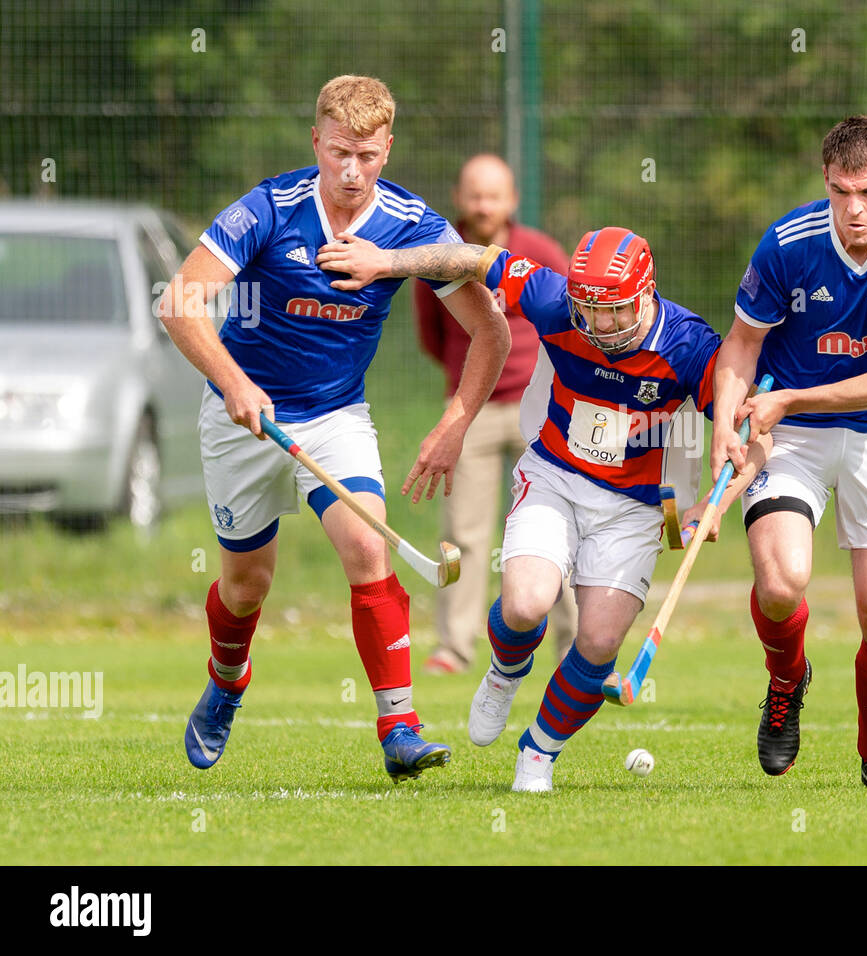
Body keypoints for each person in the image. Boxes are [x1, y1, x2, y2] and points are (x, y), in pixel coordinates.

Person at [317, 225, 761, 793]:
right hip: (554, 476)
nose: (599, 327)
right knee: (526, 604)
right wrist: (388, 262)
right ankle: (505, 671)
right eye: (588, 310)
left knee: (599, 643)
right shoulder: (556, 300)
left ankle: (539, 751)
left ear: (646, 294)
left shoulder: (689, 346)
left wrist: (714, 503)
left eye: (615, 312)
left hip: (633, 507)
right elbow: (472, 259)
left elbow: (752, 438)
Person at [156, 75, 510, 783]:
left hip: (336, 415)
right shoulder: (269, 208)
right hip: (242, 417)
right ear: (316, 141)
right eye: (341, 152)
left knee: (368, 552)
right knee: (247, 585)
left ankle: (400, 728)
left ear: (388, 148)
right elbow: (179, 302)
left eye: (369, 156)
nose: (353, 171)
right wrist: (233, 382)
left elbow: (490, 331)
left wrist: (455, 420)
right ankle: (228, 678)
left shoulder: (409, 224)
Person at [711, 115, 867, 788]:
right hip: (793, 441)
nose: (854, 209)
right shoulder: (788, 243)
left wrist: (791, 400)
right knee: (782, 585)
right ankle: (786, 681)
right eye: (841, 191)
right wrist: (727, 422)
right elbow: (743, 344)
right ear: (825, 181)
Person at [413, 154, 577, 675]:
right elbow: (431, 336)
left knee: (561, 526)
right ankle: (455, 646)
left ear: (512, 201)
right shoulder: (440, 253)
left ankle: (579, 645)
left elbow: (574, 322)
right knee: (463, 532)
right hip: (471, 412)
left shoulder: (542, 252)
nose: (484, 205)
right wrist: (467, 392)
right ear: (460, 198)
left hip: (545, 411)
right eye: (474, 195)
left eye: (494, 195)